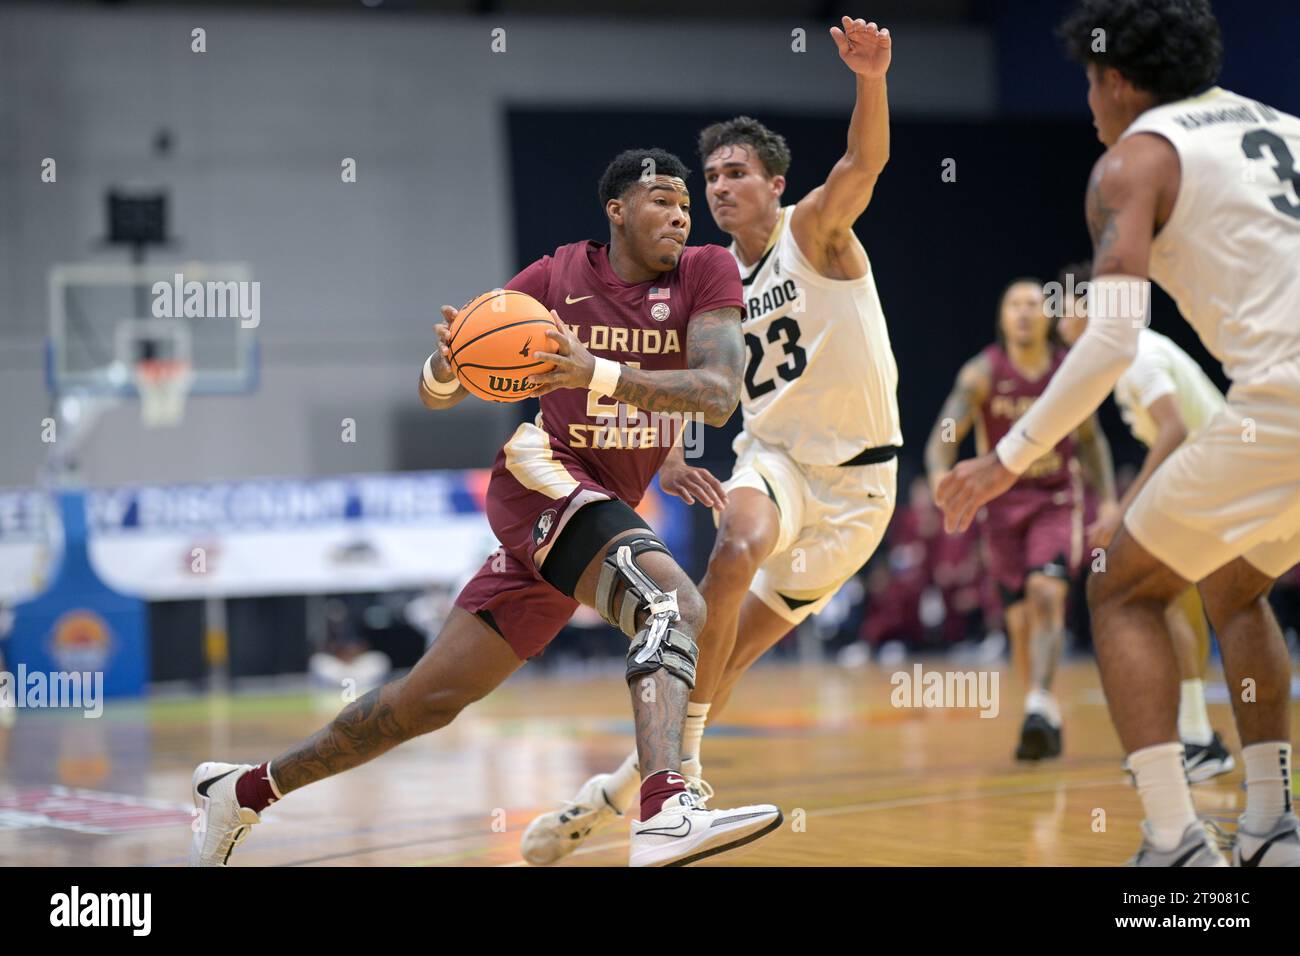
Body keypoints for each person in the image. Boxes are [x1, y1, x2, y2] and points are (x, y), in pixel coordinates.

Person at [189, 146, 782, 868]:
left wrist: (629, 409)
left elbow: (718, 395)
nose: (681, 213)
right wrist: (446, 364)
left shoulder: (704, 272)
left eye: (686, 202)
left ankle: (244, 791)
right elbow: (442, 386)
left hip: (599, 508)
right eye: (661, 198)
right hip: (545, 478)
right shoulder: (555, 277)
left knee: (424, 703)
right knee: (672, 605)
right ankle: (664, 809)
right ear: (617, 210)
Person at [522, 17, 900, 864]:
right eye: (713, 177)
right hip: (774, 462)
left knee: (718, 670)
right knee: (733, 545)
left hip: (860, 490)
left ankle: (614, 794)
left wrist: (871, 79)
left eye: (737, 175)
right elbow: (680, 371)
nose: (720, 189)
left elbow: (864, 164)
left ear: (776, 184)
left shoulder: (815, 235)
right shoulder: (710, 276)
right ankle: (681, 782)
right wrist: (674, 447)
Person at [936, 0, 1300, 866]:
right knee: (1235, 584)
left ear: (1120, 80)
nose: (1091, 107)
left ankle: (1174, 838)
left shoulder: (1132, 161)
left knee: (1119, 588)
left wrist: (1004, 458)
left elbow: (1111, 337)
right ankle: (1270, 825)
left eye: (1091, 85)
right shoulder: (1285, 124)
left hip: (1281, 409)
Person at [925, 278, 1117, 761]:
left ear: (1048, 315)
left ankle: (1038, 702)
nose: (1026, 312)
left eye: (1035, 303)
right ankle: (1039, 710)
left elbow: (1091, 439)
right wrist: (938, 476)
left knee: (1046, 592)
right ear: (1003, 317)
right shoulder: (982, 374)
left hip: (1054, 498)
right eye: (1015, 304)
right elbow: (946, 430)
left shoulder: (1066, 371)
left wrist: (1109, 499)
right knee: (1017, 620)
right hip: (1001, 509)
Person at [1057, 261, 1234, 782]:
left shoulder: (1136, 355)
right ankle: (1200, 738)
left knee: (1141, 591)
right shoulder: (1122, 359)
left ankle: (1196, 739)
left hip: (1217, 476)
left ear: (1090, 309)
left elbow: (1173, 428)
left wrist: (1121, 508)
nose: (1058, 319)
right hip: (1215, 479)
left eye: (1064, 306)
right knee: (1181, 597)